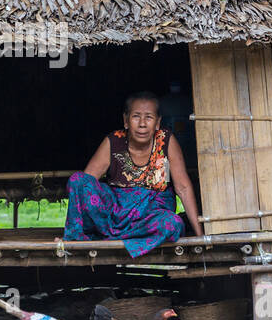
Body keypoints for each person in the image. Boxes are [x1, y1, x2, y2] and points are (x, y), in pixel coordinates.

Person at [63, 90, 203, 257]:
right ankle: (83, 239)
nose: (142, 124)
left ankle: (111, 238)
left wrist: (200, 235)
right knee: (78, 180)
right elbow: (83, 187)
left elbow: (183, 188)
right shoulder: (113, 141)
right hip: (114, 217)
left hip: (150, 218)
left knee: (172, 224)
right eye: (136, 116)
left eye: (149, 117)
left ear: (158, 122)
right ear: (126, 120)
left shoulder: (166, 141)